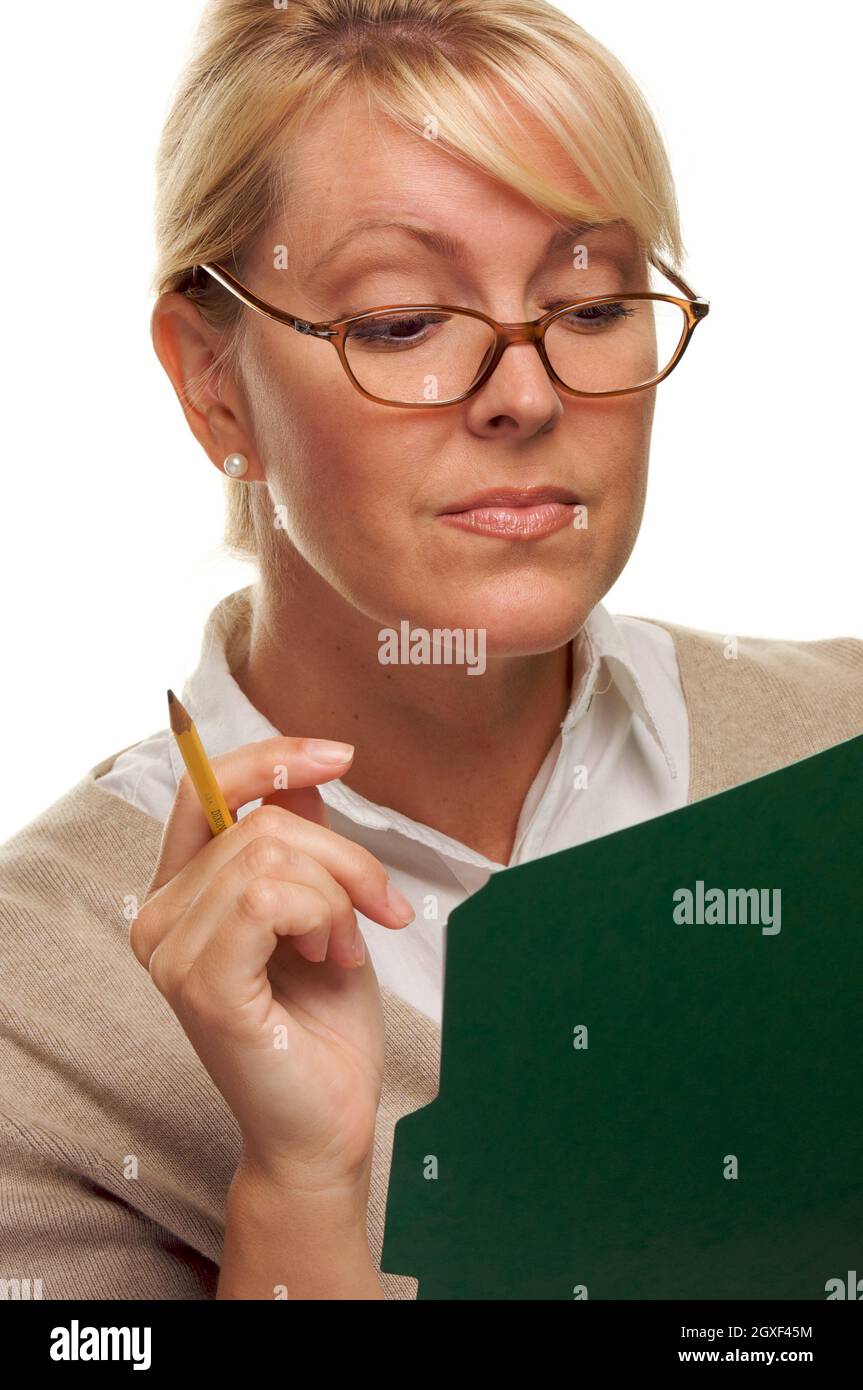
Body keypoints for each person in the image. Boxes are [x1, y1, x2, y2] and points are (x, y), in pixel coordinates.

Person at [1, 0, 861, 1301]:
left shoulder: (837, 744)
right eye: (402, 321)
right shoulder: (41, 1014)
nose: (526, 394)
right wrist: (300, 1190)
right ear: (211, 377)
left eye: (591, 300)